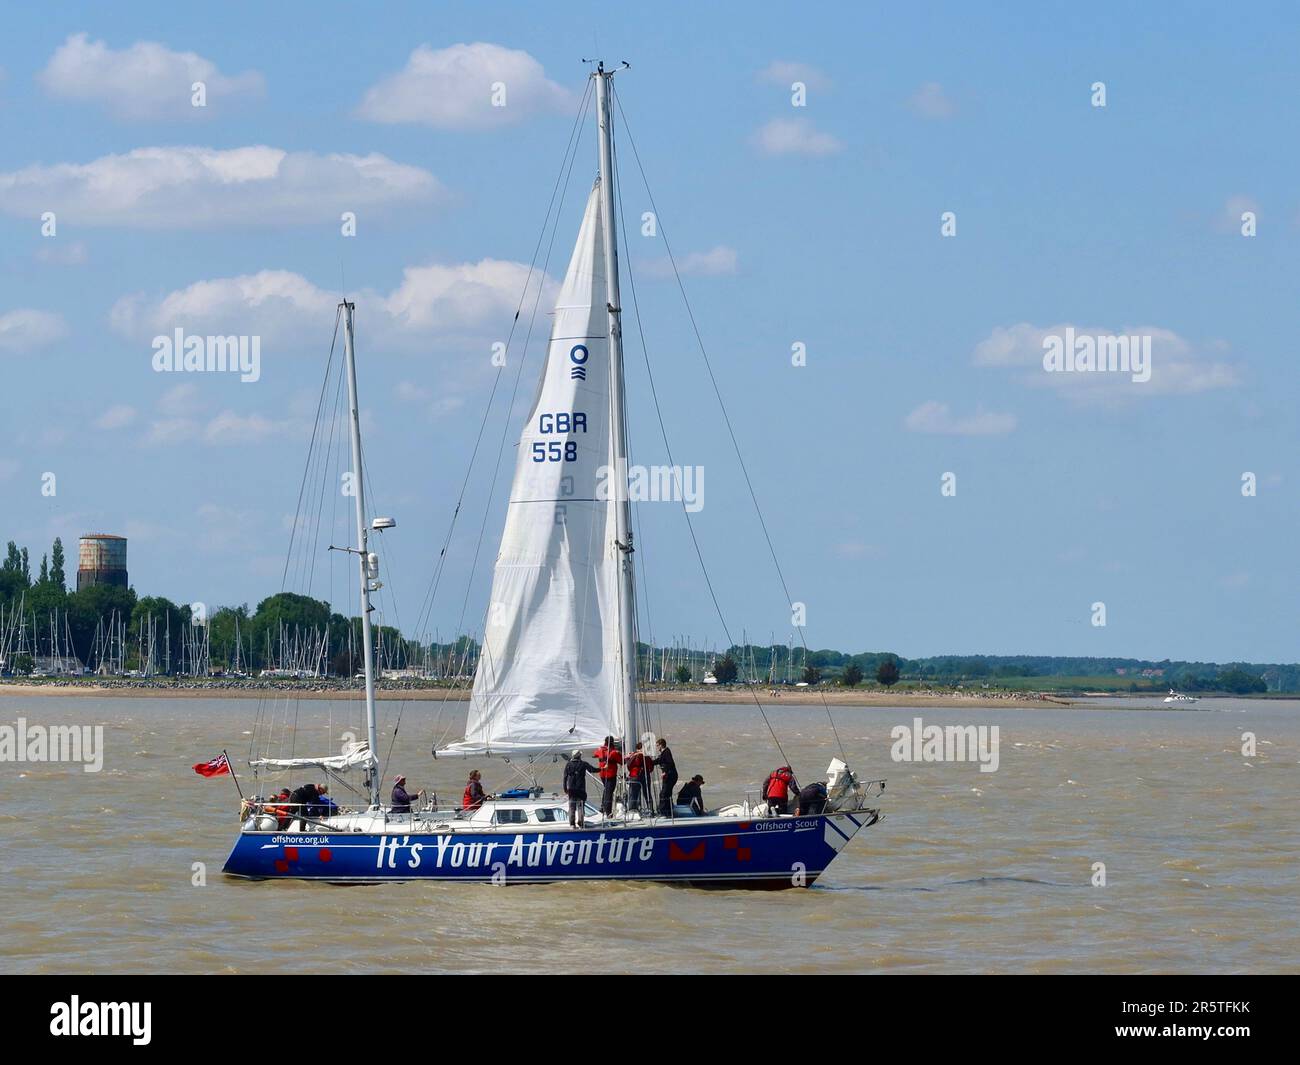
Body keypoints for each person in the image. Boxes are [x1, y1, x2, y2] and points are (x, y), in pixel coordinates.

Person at [563, 749, 600, 828]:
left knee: (572, 807)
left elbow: (565, 777)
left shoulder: (568, 764)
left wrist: (565, 789)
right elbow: (592, 770)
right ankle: (580, 822)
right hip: (581, 789)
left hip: (571, 790)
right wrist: (602, 768)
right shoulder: (583, 764)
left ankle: (572, 824)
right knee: (580, 807)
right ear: (579, 756)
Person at [593, 736, 623, 815]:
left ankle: (603, 807)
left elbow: (595, 754)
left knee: (606, 790)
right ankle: (608, 812)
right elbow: (622, 762)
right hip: (610, 775)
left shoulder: (600, 749)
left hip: (602, 774)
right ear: (612, 742)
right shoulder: (613, 752)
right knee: (609, 793)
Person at [625, 741, 654, 812]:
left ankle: (632, 810)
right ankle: (650, 809)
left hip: (635, 776)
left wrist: (631, 757)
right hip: (643, 776)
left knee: (634, 794)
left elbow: (629, 766)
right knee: (646, 793)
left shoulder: (635, 756)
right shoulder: (646, 757)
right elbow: (651, 767)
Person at [655, 737, 678, 817]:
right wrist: (648, 762)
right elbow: (658, 761)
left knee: (664, 794)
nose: (657, 747)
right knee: (666, 793)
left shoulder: (666, 752)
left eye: (657, 745)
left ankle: (664, 812)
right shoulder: (663, 753)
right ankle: (668, 810)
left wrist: (665, 772)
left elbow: (670, 763)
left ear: (661, 745)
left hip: (671, 775)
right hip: (668, 776)